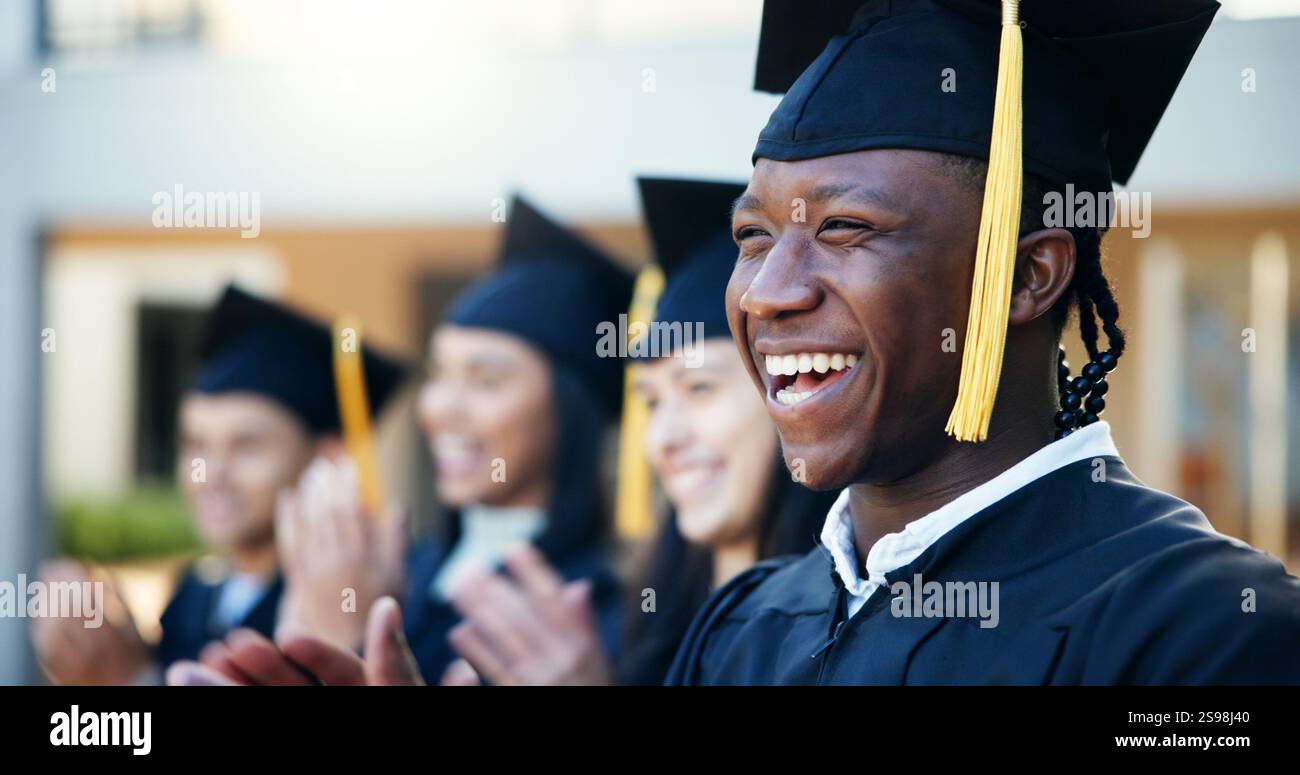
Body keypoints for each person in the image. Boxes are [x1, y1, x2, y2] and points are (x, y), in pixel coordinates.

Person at [663, 0, 1300, 684]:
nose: (766, 291)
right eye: (752, 236)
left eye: (844, 226)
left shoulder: (1209, 634)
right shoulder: (741, 630)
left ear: (1027, 277)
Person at [442, 177, 839, 685]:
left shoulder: (849, 635)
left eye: (698, 389)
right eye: (651, 401)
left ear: (791, 392)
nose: (663, 438)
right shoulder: (638, 626)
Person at [269, 195, 633, 684]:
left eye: (486, 380)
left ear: (569, 410)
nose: (440, 408)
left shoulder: (602, 609)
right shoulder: (400, 574)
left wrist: (354, 647)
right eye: (437, 375)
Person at [32, 285, 406, 684]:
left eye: (246, 446)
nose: (209, 474)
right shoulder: (192, 597)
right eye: (195, 444)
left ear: (326, 457)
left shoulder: (367, 608)